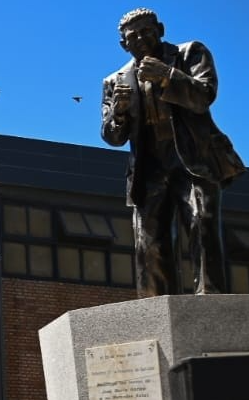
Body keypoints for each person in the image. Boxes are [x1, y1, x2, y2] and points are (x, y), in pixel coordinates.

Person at [101, 8, 245, 296]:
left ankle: (210, 299)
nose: (141, 38)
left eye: (147, 31)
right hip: (150, 169)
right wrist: (118, 112)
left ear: (161, 29)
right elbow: (112, 136)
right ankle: (155, 305)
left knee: (201, 223)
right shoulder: (115, 81)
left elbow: (204, 95)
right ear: (123, 44)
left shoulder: (190, 53)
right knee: (149, 243)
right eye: (133, 36)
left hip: (193, 160)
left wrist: (167, 75)